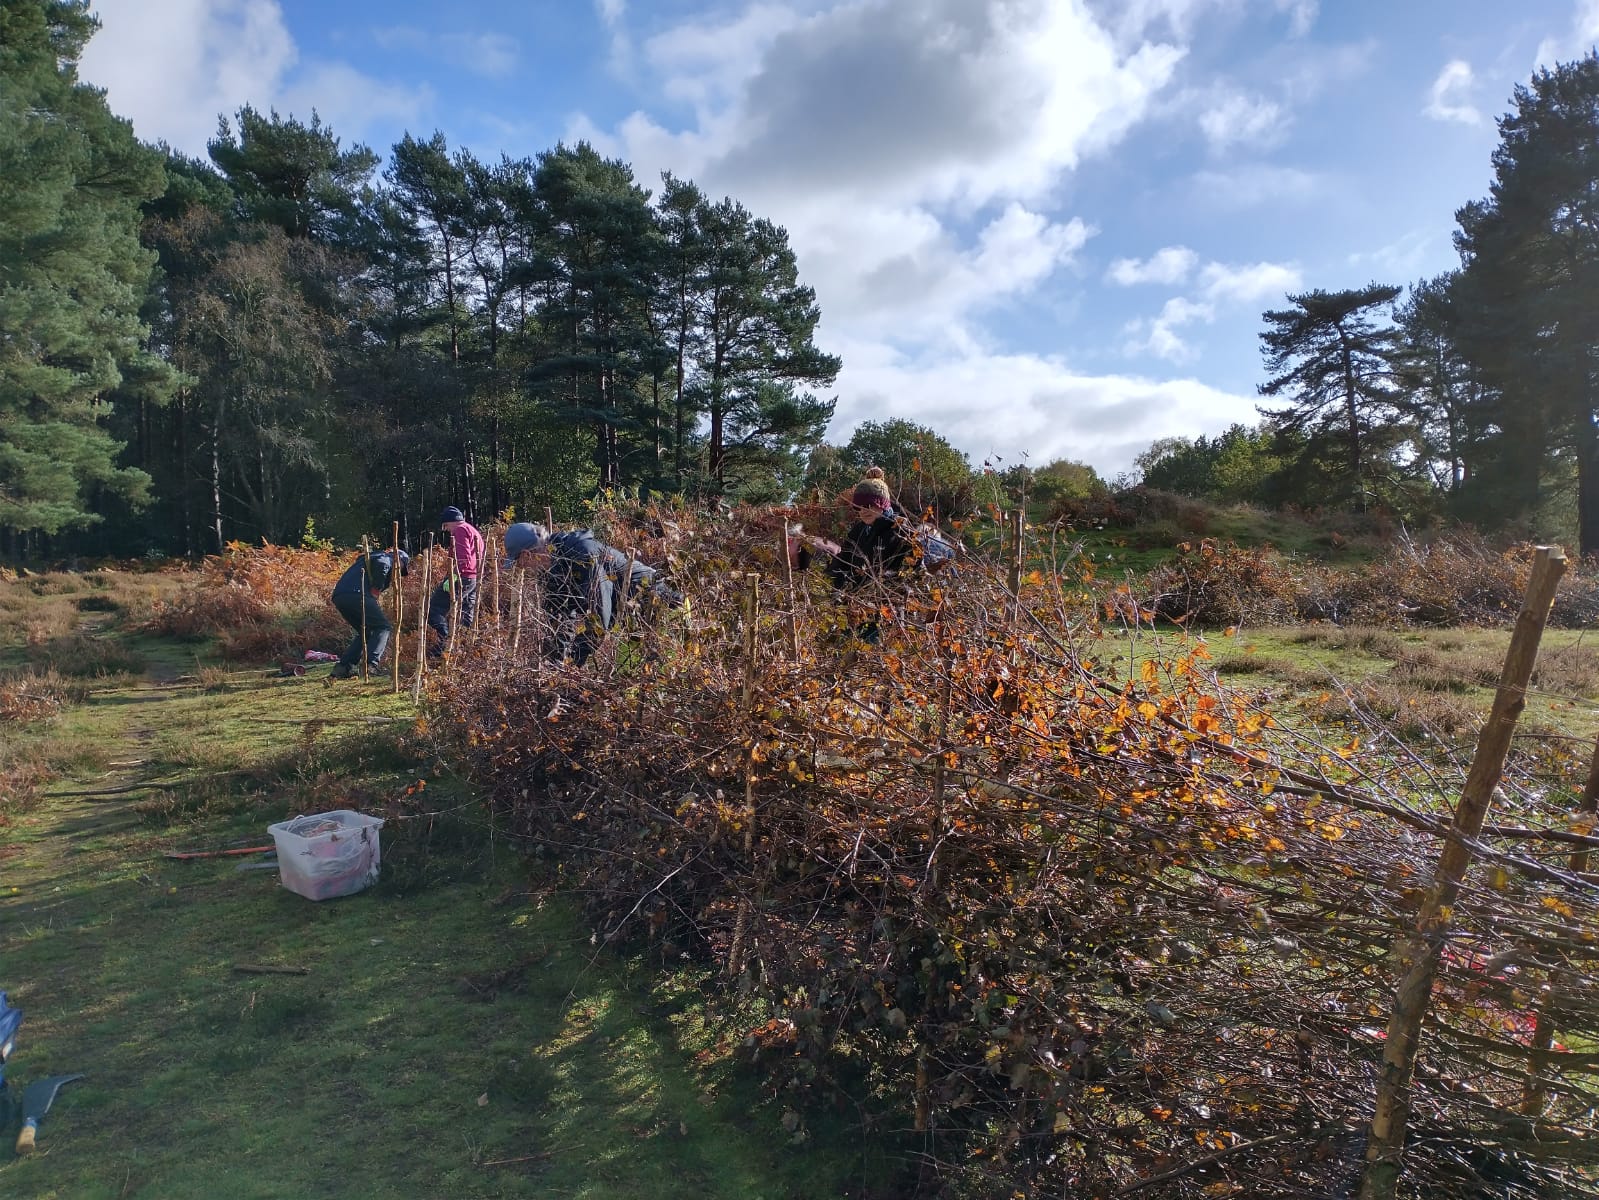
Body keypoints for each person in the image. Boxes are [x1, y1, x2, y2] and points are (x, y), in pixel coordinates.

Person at [502, 521, 683, 666]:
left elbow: (599, 619)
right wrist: (555, 662)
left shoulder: (583, 554)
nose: (521, 568)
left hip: (658, 603)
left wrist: (573, 661)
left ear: (526, 555)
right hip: (627, 612)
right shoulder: (551, 570)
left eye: (518, 563)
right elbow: (560, 618)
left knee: (646, 669)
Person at [329, 546, 409, 680]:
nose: (399, 572)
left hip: (340, 596)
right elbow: (383, 564)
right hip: (357, 594)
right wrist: (376, 589)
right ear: (399, 560)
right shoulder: (385, 557)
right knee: (383, 627)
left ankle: (342, 668)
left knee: (366, 631)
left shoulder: (369, 559)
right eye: (401, 567)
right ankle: (370, 666)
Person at [427, 506, 484, 656]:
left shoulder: (460, 530)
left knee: (432, 609)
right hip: (472, 577)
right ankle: (464, 648)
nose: (446, 529)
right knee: (467, 613)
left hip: (461, 576)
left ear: (452, 522)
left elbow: (463, 557)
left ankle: (445, 645)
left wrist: (453, 576)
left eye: (446, 525)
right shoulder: (472, 530)